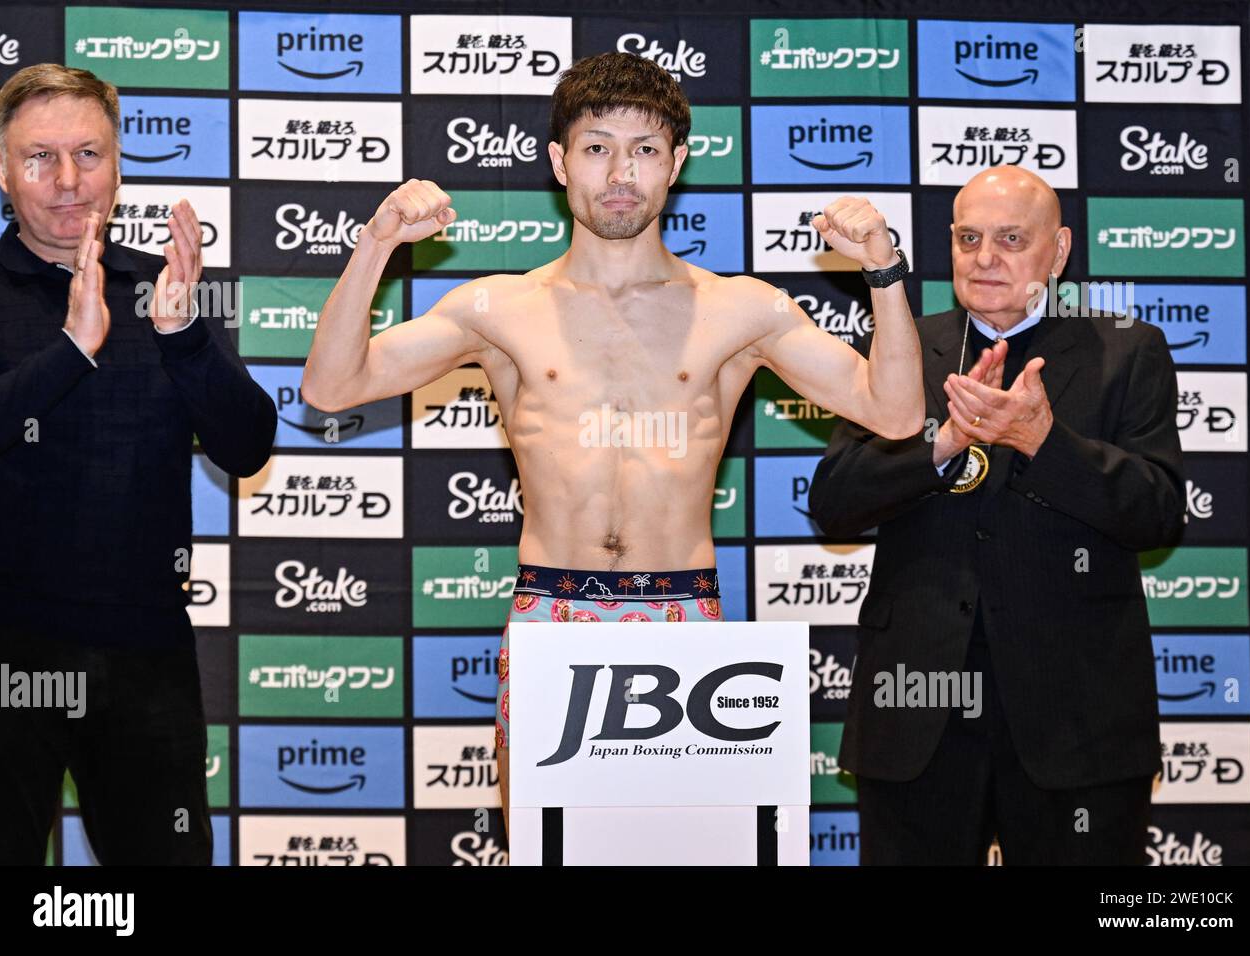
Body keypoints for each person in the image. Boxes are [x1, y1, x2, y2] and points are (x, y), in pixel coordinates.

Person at [301, 51, 925, 828]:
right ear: (561, 162)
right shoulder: (498, 307)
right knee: (551, 848)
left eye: (645, 150)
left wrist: (885, 272)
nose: (620, 171)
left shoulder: (742, 311)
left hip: (683, 618)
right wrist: (377, 245)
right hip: (550, 613)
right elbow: (331, 387)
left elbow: (896, 415)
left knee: (688, 851)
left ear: (677, 164)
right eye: (597, 147)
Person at [808, 165, 1185, 865]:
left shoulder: (1127, 351)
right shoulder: (905, 345)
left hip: (1078, 721)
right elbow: (833, 504)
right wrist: (942, 443)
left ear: (1060, 250)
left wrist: (1044, 441)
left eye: (1012, 239)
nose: (985, 258)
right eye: (969, 237)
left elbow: (1160, 513)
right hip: (917, 714)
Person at [0, 64, 276, 864]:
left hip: (144, 653)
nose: (69, 180)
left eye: (90, 153)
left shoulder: (162, 287)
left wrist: (183, 337)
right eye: (40, 157)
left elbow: (247, 445)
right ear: (3, 170)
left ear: (118, 164)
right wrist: (74, 350)